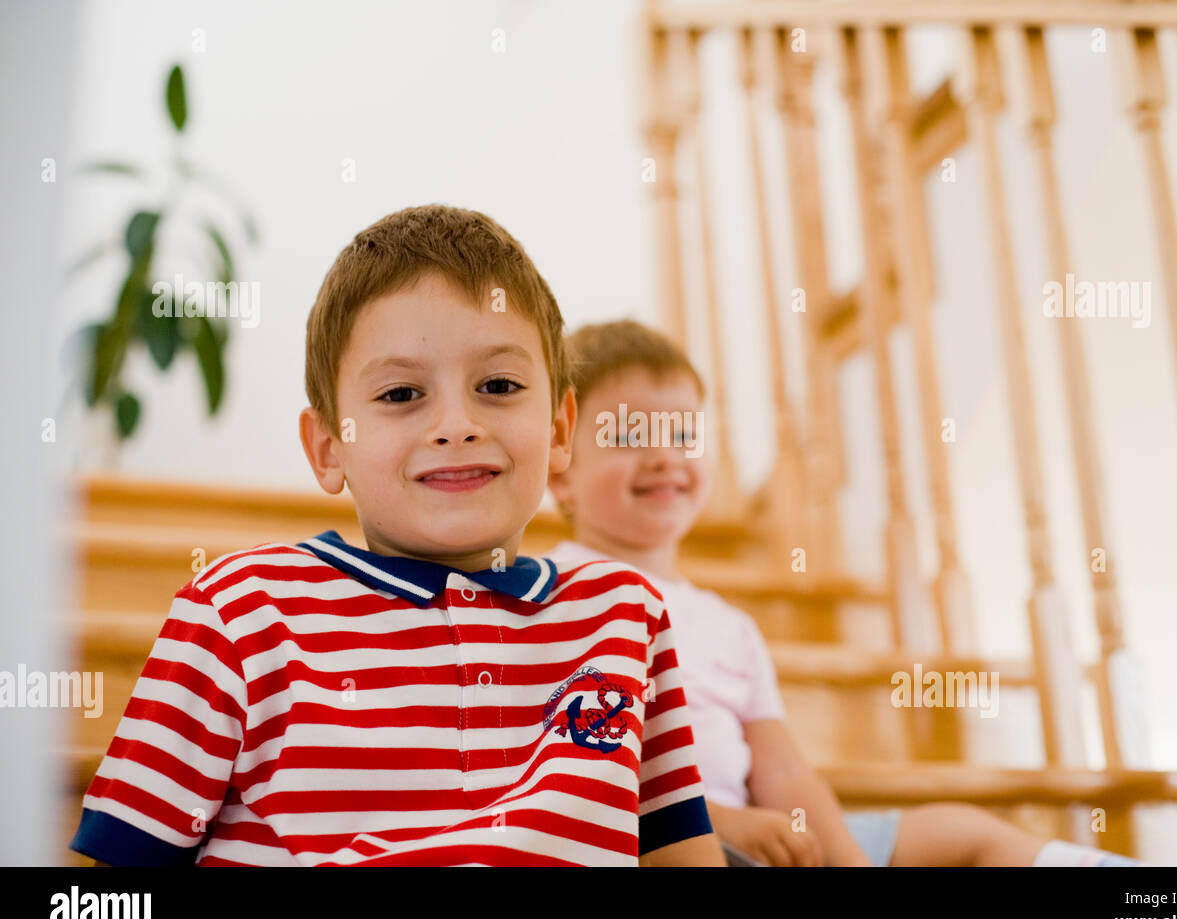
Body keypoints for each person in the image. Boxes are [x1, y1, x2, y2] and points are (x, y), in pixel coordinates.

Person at [69, 205, 724, 867]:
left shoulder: (626, 616)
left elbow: (683, 854)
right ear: (328, 448)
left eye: (498, 385)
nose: (457, 424)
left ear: (559, 429)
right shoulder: (240, 614)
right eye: (401, 393)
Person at [545, 317, 1177, 868]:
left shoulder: (731, 626)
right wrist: (719, 823)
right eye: (627, 434)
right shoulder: (557, 595)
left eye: (683, 435)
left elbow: (785, 771)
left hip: (771, 835)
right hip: (666, 842)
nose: (663, 457)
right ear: (559, 470)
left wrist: (839, 857)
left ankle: (1175, 894)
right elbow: (577, 771)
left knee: (962, 832)